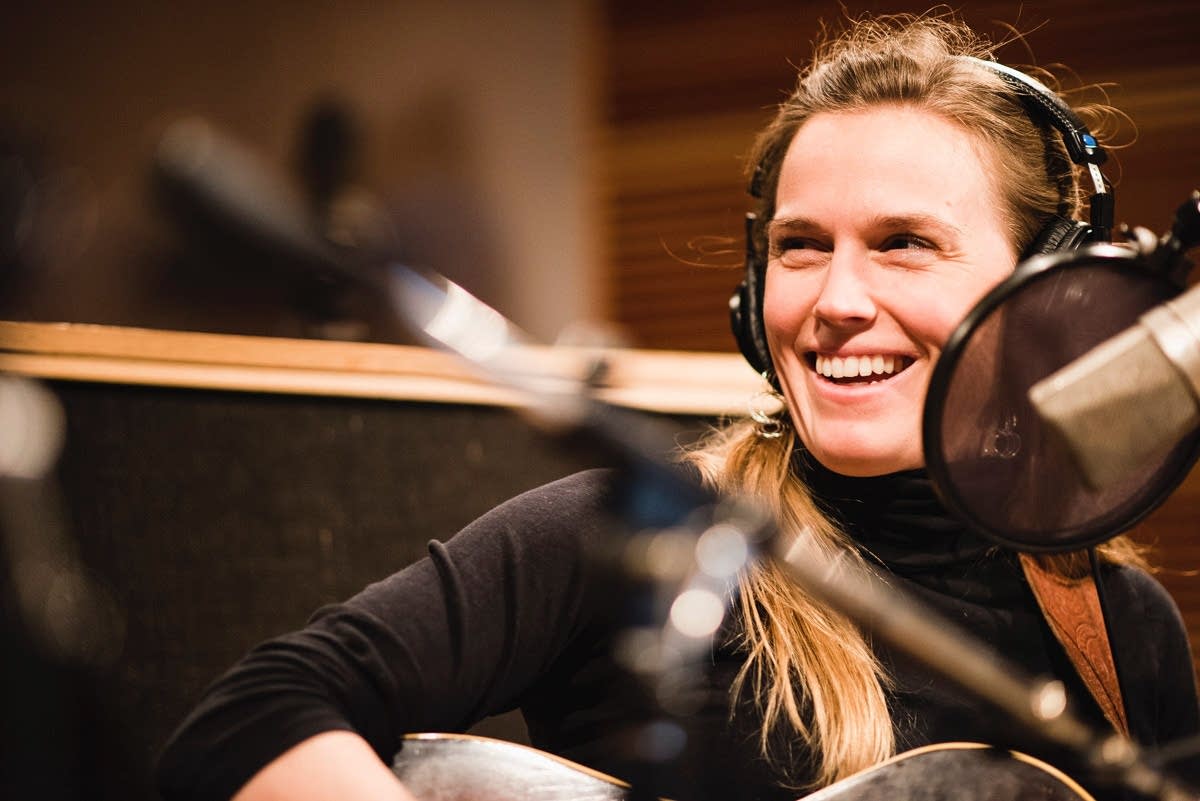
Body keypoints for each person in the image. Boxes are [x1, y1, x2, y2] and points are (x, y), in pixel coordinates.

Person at [156, 12, 1200, 801]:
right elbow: (251, 715)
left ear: (1044, 296)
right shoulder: (629, 541)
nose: (837, 300)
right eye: (800, 246)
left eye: (903, 244)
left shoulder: (1124, 631)